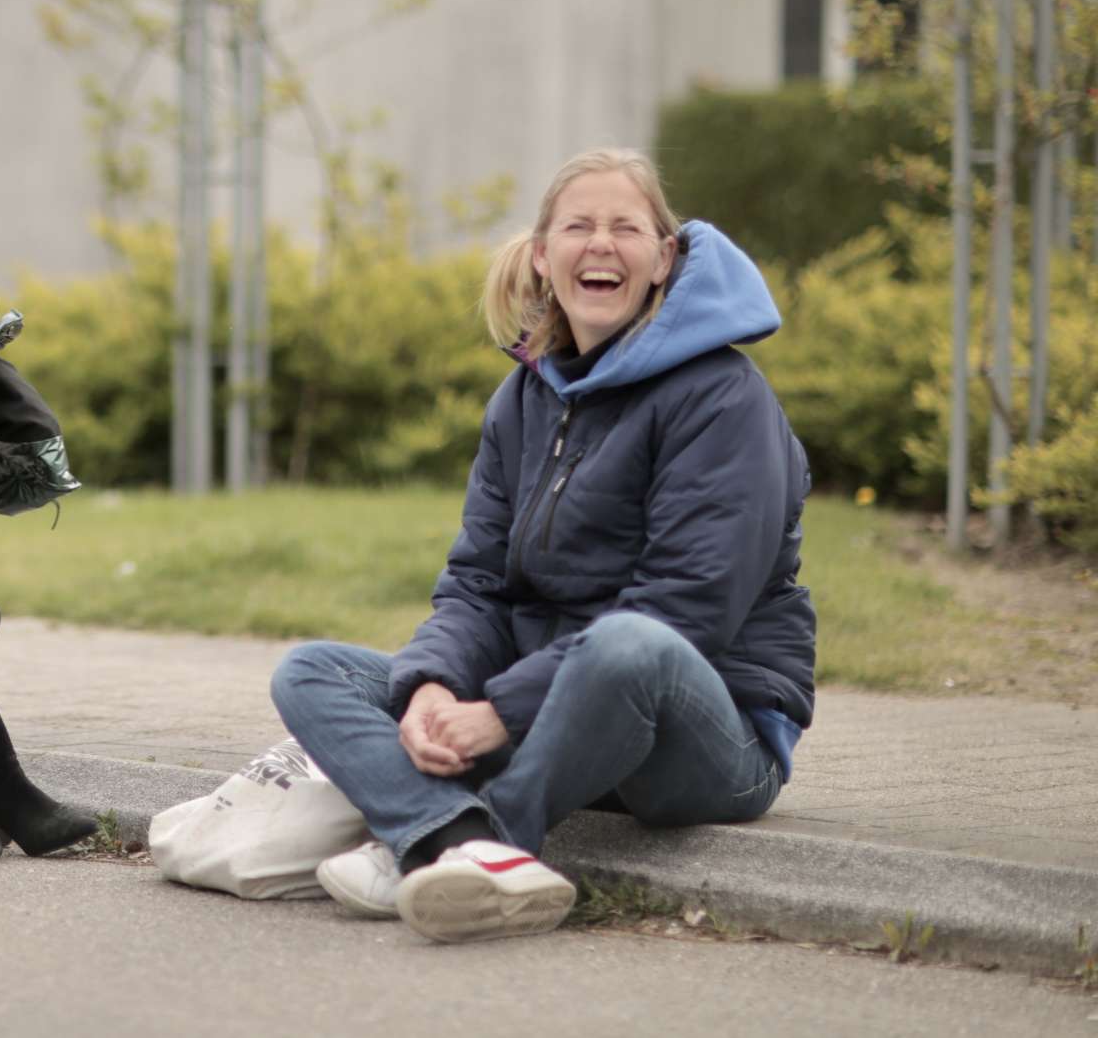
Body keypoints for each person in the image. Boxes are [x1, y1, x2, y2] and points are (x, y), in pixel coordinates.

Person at [270, 147, 815, 942]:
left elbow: (686, 609)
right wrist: (434, 686)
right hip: (552, 718)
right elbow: (477, 584)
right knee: (312, 671)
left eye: (626, 227)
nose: (601, 243)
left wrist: (499, 711)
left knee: (633, 642)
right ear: (541, 255)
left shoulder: (722, 395)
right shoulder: (525, 397)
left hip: (708, 737)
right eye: (578, 226)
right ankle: (448, 841)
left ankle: (488, 839)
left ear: (663, 258)